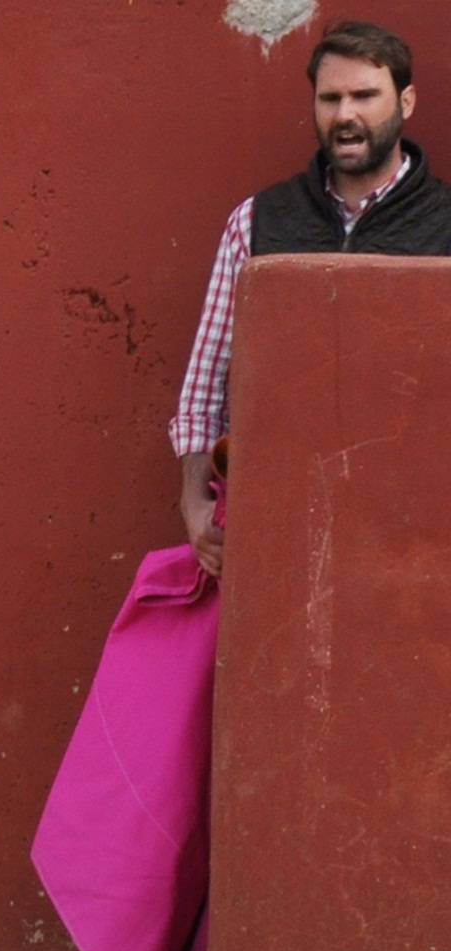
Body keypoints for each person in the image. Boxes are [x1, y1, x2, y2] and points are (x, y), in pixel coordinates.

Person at [171, 18, 451, 577]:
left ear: (407, 100)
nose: (345, 114)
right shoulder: (255, 223)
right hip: (282, 522)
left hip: (418, 532)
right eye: (331, 98)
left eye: (365, 96)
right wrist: (194, 499)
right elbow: (207, 383)